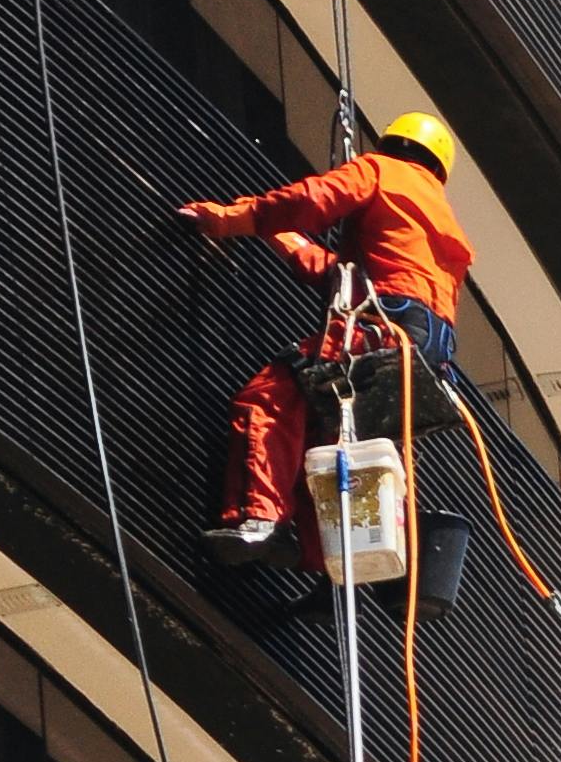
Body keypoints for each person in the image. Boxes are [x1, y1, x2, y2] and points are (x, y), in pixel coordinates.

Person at [179, 112, 472, 558]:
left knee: (268, 399)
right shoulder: (440, 219)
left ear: (392, 142)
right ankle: (326, 571)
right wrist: (287, 242)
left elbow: (312, 200)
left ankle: (261, 520)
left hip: (376, 330)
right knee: (327, 439)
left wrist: (233, 219)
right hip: (423, 351)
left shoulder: (379, 169)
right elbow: (369, 278)